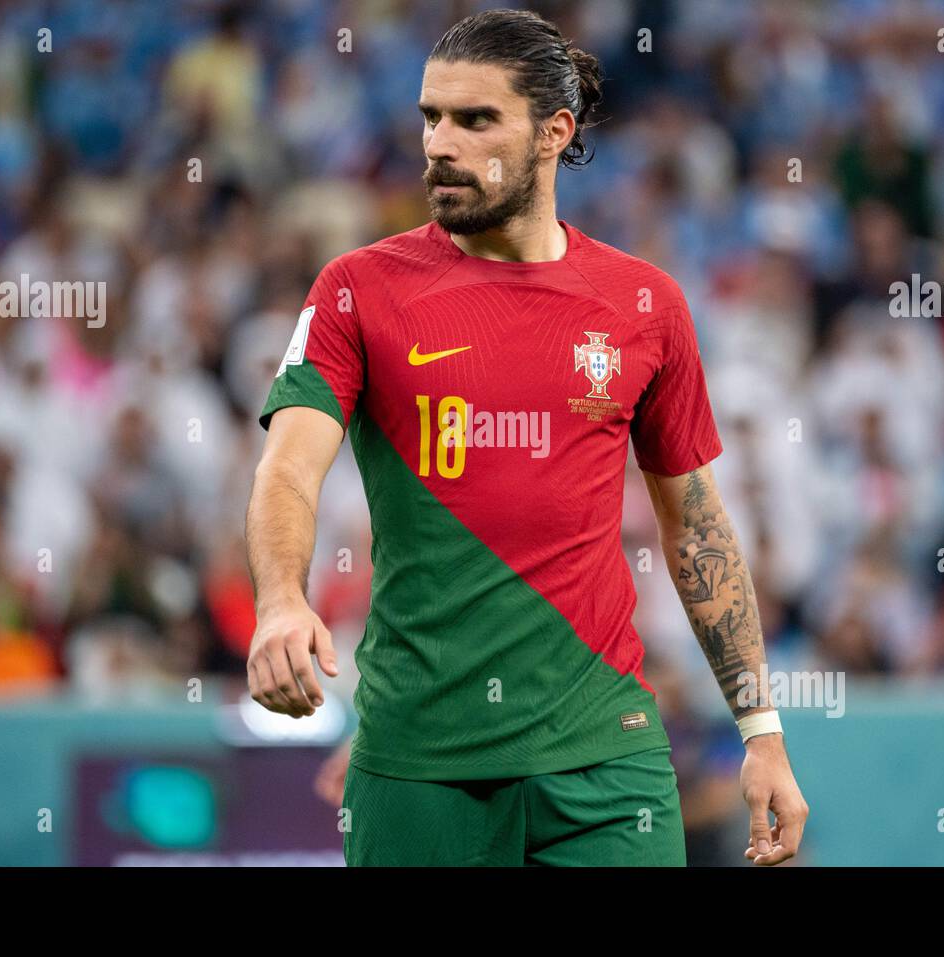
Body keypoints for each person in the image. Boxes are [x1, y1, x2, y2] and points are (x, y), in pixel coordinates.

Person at [245, 8, 807, 866]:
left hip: (606, 764)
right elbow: (289, 466)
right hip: (417, 764)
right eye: (431, 117)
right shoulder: (358, 290)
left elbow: (696, 528)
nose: (441, 143)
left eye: (476, 120)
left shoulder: (644, 305)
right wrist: (282, 598)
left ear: (554, 133)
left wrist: (760, 731)